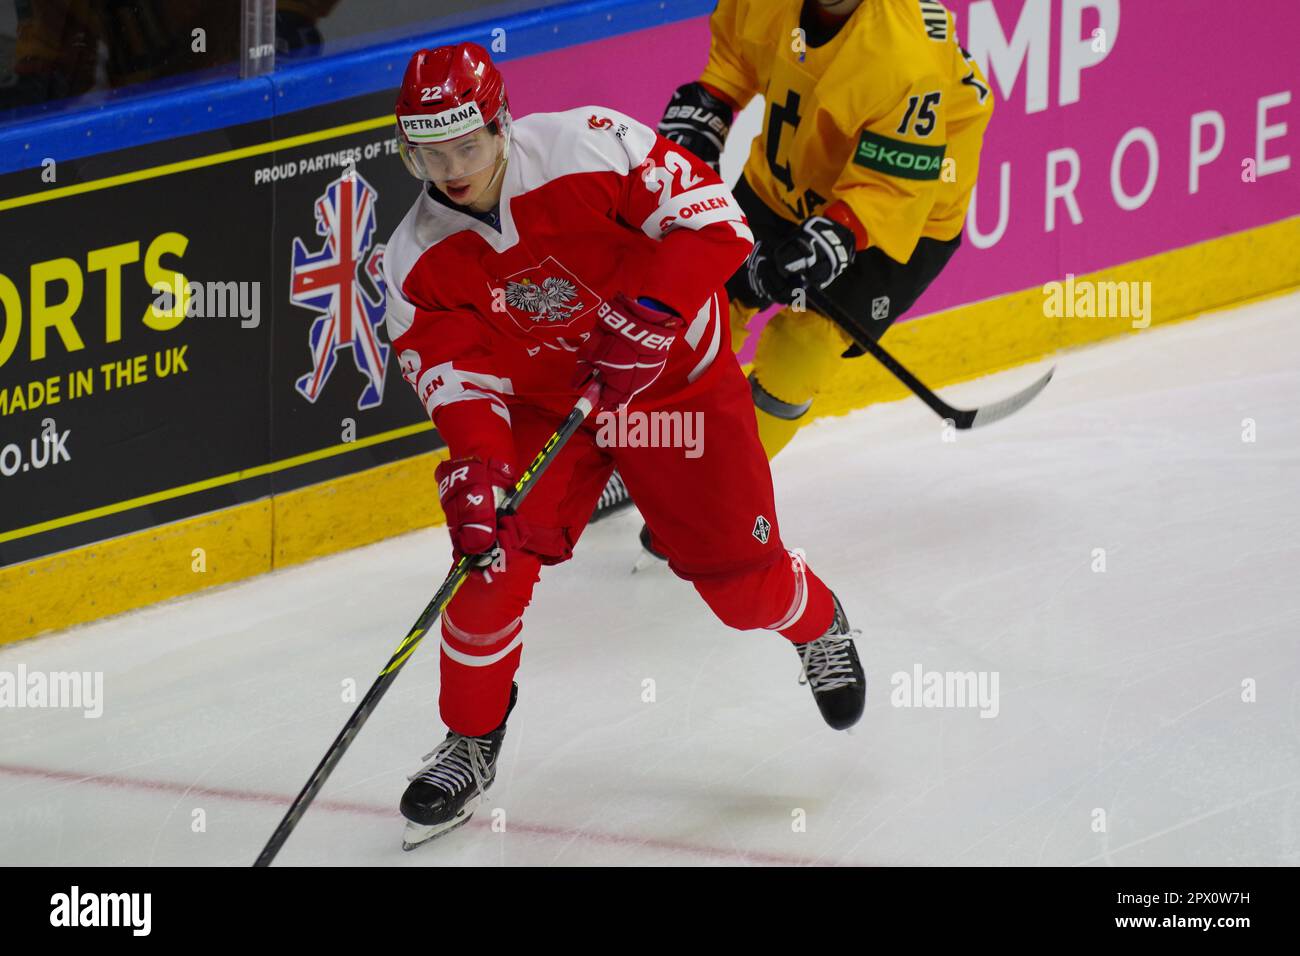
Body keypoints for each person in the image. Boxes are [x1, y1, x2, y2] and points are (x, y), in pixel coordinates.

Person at [382, 43, 866, 850]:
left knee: (742, 589)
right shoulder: (414, 260)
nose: (452, 167)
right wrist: (478, 473)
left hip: (675, 386)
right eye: (430, 152)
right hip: (549, 410)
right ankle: (470, 742)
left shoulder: (588, 144)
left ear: (502, 126)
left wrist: (653, 310)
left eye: (467, 145)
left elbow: (715, 219)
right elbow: (460, 383)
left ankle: (819, 622)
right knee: (488, 559)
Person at [594, 0, 994, 548]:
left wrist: (836, 236)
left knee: (797, 350)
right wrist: (710, 105)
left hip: (909, 214)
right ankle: (650, 452)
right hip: (786, 179)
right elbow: (738, 53)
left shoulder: (906, 57)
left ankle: (713, 490)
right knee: (701, 306)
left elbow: (891, 190)